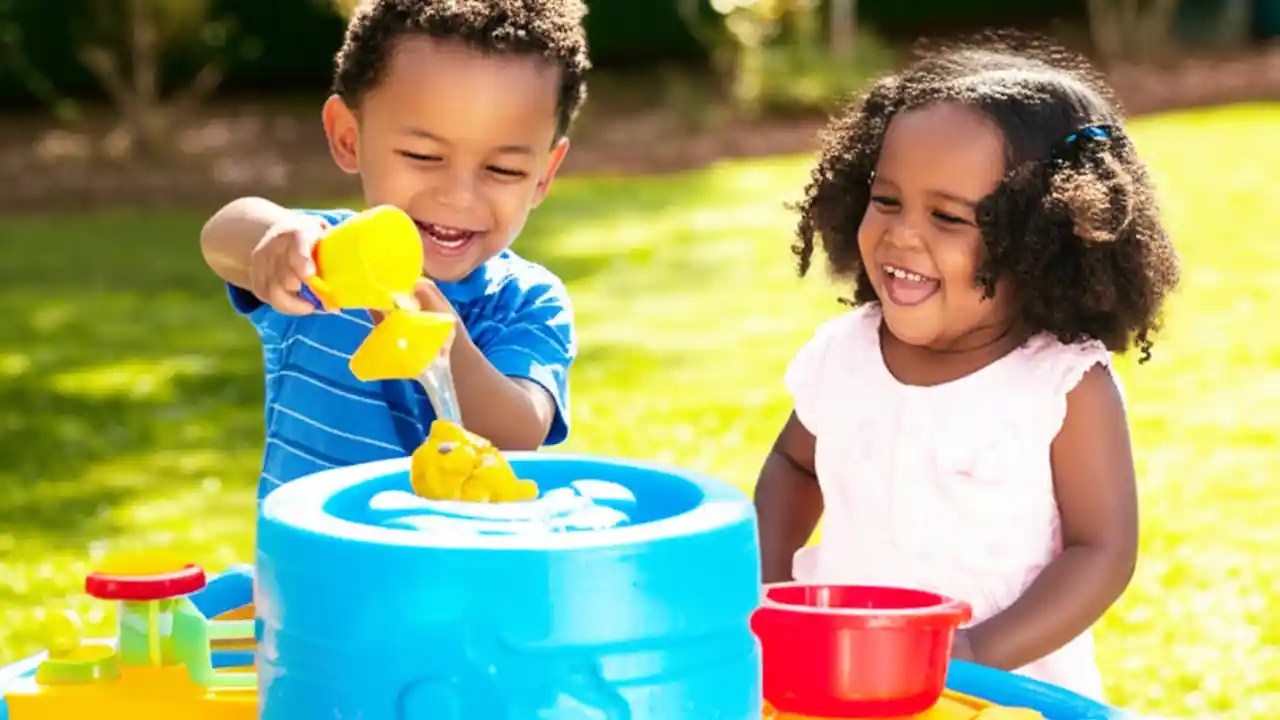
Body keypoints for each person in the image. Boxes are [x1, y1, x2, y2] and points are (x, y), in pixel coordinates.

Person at [753, 38, 1180, 700]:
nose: (900, 235)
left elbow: (1102, 551)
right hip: (843, 686)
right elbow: (794, 464)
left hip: (1000, 695)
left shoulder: (1061, 386)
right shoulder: (846, 354)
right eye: (887, 200)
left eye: (947, 216)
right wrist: (772, 588)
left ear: (1044, 240)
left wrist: (980, 650)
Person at [199, 0, 590, 499]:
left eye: (504, 169)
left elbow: (518, 433)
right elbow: (221, 235)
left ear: (544, 175)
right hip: (307, 569)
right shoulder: (324, 259)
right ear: (348, 137)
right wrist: (277, 238)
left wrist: (446, 345)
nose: (459, 196)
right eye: (424, 156)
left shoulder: (525, 300)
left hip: (447, 570)